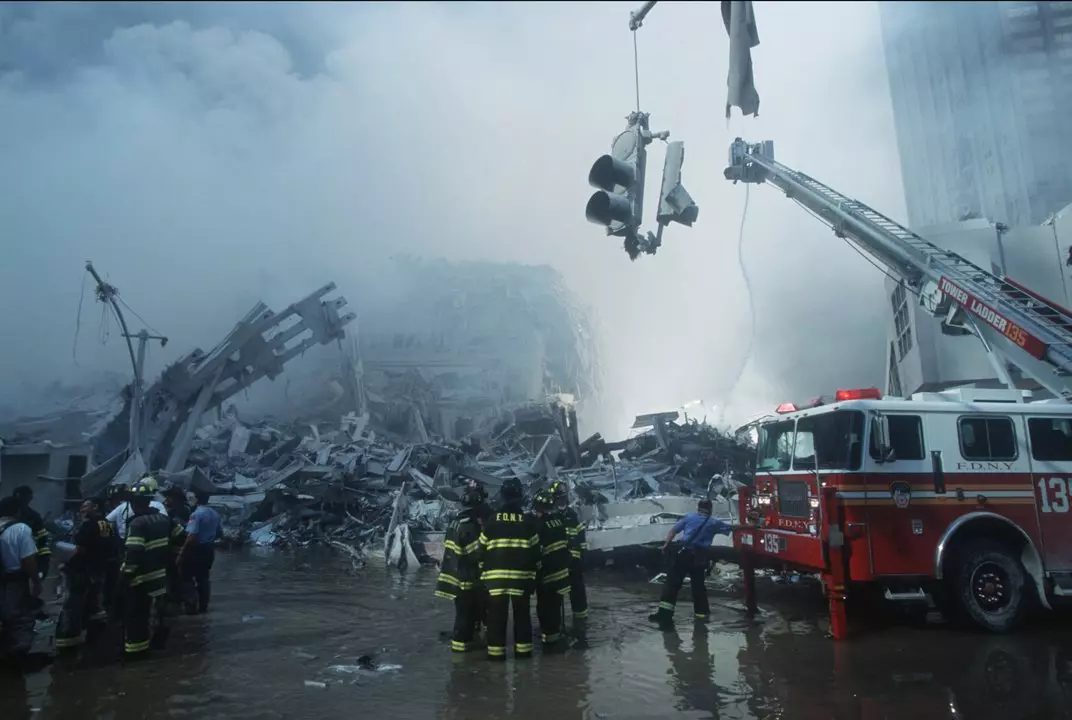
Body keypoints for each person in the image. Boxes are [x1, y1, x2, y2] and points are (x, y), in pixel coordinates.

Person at [476, 478, 540, 661]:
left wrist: (484, 572)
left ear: (502, 497)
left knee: (496, 619)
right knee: (522, 617)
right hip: (521, 579)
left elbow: (480, 550)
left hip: (496, 580)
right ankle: (524, 657)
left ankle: (496, 660)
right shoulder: (527, 522)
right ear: (520, 497)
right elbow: (537, 552)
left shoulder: (492, 521)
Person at [119, 481, 184, 659]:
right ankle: (153, 643)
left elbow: (133, 554)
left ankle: (136, 653)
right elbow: (181, 538)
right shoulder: (165, 520)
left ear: (133, 503)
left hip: (140, 580)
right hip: (160, 577)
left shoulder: (137, 523)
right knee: (155, 612)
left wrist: (124, 576)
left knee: (135, 616)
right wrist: (174, 560)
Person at [649, 498, 733, 627]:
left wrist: (666, 544)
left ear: (698, 508)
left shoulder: (689, 517)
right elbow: (732, 528)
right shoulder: (713, 523)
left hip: (682, 554)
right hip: (699, 558)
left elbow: (673, 531)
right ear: (710, 509)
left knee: (671, 585)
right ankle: (702, 615)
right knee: (698, 587)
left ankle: (664, 615)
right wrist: (751, 526)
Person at [434, 479, 487, 653]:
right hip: (467, 578)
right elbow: (475, 553)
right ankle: (460, 651)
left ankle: (464, 645)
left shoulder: (454, 523)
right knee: (464, 616)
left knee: (463, 613)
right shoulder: (470, 527)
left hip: (454, 577)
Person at [55, 499, 112, 652]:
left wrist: (67, 563)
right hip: (99, 570)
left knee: (72, 605)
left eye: (86, 507)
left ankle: (68, 642)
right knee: (94, 603)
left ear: (96, 507)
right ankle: (95, 636)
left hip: (83, 571)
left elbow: (80, 548)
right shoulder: (107, 524)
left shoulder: (89, 525)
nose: (82, 509)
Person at [0, 496, 42, 671]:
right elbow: (28, 560)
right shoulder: (21, 529)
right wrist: (36, 582)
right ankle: (17, 660)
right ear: (18, 511)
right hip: (13, 581)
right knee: (19, 620)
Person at [532, 489, 571, 652]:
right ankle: (555, 636)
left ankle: (549, 640)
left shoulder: (539, 525)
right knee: (556, 604)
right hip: (562, 572)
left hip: (547, 574)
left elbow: (536, 550)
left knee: (544, 607)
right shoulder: (559, 520)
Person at [551, 481, 588, 625]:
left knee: (578, 594)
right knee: (555, 597)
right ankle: (556, 625)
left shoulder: (572, 515)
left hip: (574, 563)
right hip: (557, 563)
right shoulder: (551, 516)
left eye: (564, 496)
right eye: (559, 497)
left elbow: (581, 538)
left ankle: (581, 622)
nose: (562, 499)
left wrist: (583, 558)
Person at [178, 491, 220, 615]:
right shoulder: (215, 514)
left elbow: (191, 535)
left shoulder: (196, 515)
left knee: (187, 578)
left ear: (197, 499)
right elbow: (219, 532)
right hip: (209, 550)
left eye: (192, 498)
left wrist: (182, 553)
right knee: (204, 578)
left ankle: (191, 608)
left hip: (195, 550)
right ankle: (203, 607)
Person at [11, 487, 51, 580]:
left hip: (24, 567)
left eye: (28, 499)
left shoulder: (34, 517)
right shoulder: (5, 515)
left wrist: (43, 567)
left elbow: (43, 544)